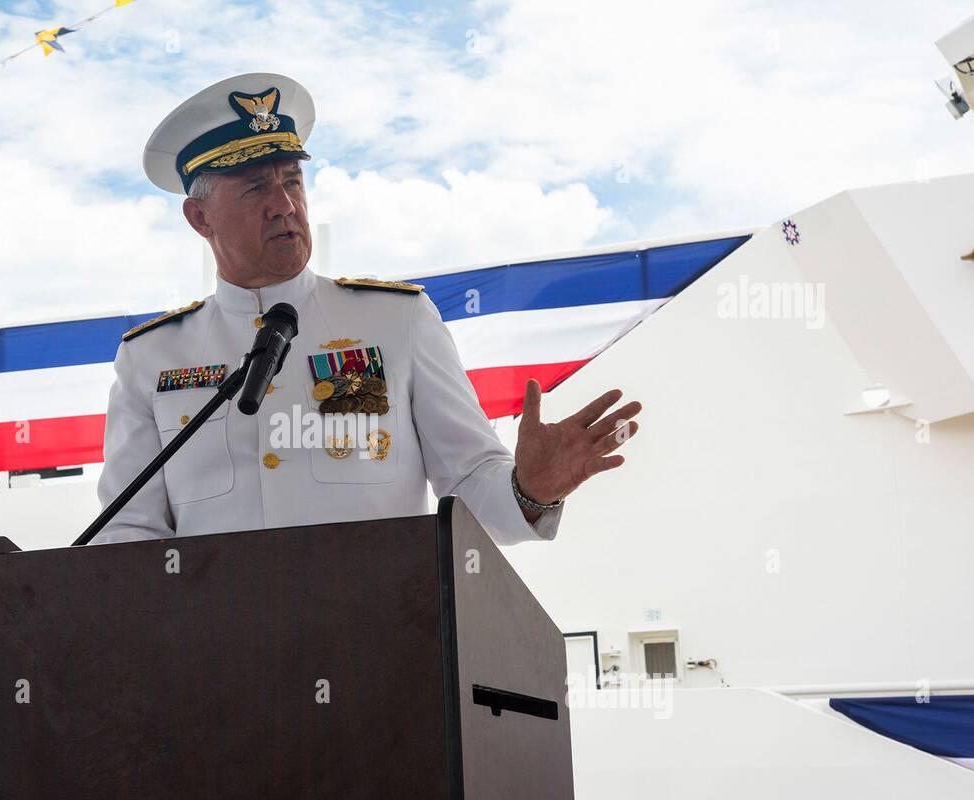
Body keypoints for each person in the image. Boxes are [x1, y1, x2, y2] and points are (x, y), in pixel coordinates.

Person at [91, 73, 640, 546]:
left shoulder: (397, 320)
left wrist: (529, 490)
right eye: (257, 186)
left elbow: (471, 477)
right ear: (199, 218)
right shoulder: (152, 358)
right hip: (218, 655)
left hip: (380, 641)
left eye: (292, 180)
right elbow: (127, 530)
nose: (284, 205)